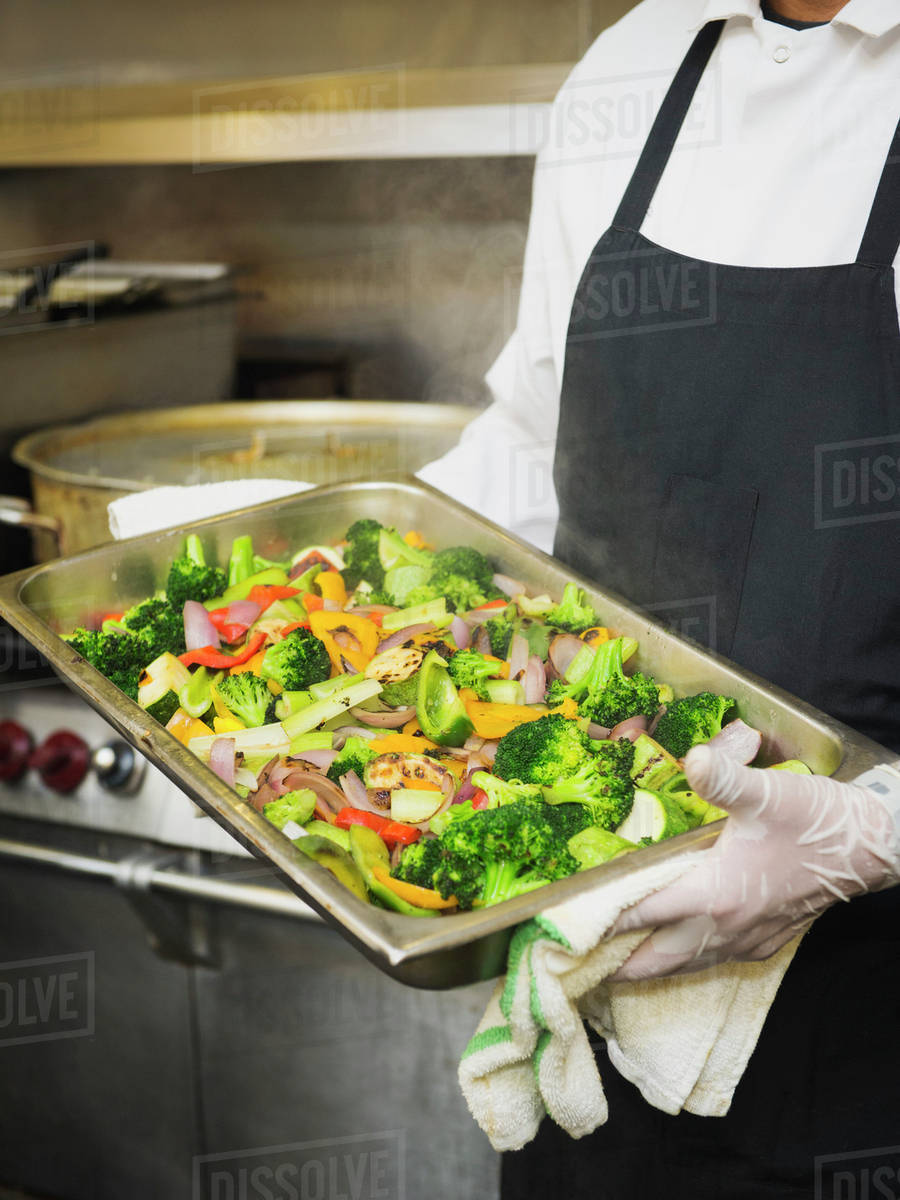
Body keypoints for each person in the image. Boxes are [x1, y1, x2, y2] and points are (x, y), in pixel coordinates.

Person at [417, 0, 900, 1194]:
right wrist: (344, 566)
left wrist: (876, 832)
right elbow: (536, 445)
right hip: (597, 1027)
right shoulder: (633, 63)